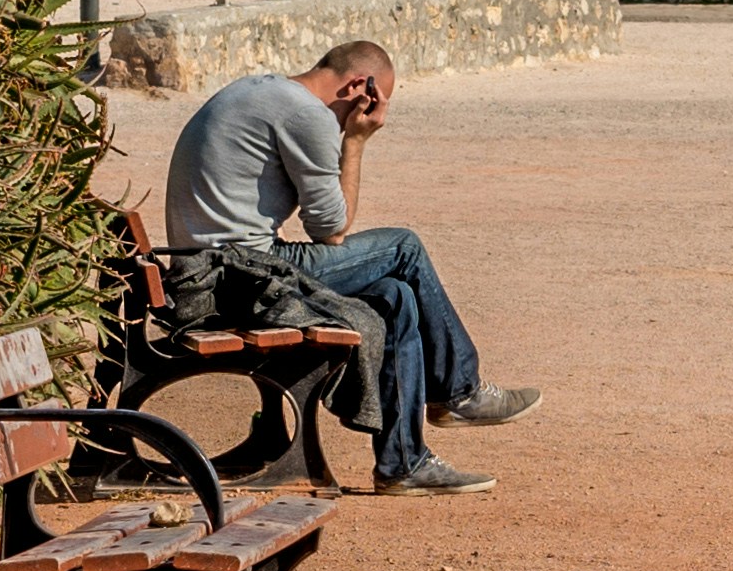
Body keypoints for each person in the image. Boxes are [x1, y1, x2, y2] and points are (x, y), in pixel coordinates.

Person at [161, 39, 530, 496]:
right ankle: (458, 392)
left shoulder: (261, 91)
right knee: (404, 247)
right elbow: (331, 230)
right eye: (377, 100)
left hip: (212, 271)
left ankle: (403, 464)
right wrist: (354, 142)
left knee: (395, 295)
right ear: (359, 86)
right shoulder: (306, 113)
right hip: (241, 275)